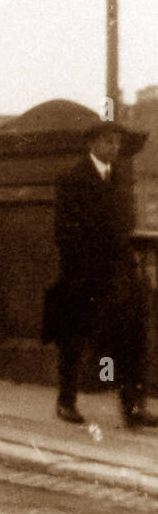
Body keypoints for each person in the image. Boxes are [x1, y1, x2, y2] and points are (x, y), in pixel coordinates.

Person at [44, 120, 156, 428]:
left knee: (131, 338)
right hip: (84, 275)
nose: (114, 148)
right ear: (92, 143)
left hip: (119, 272)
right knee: (74, 340)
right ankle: (66, 401)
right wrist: (85, 266)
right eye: (108, 142)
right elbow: (64, 232)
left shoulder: (119, 177)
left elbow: (125, 224)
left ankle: (133, 407)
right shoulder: (72, 178)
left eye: (117, 142)